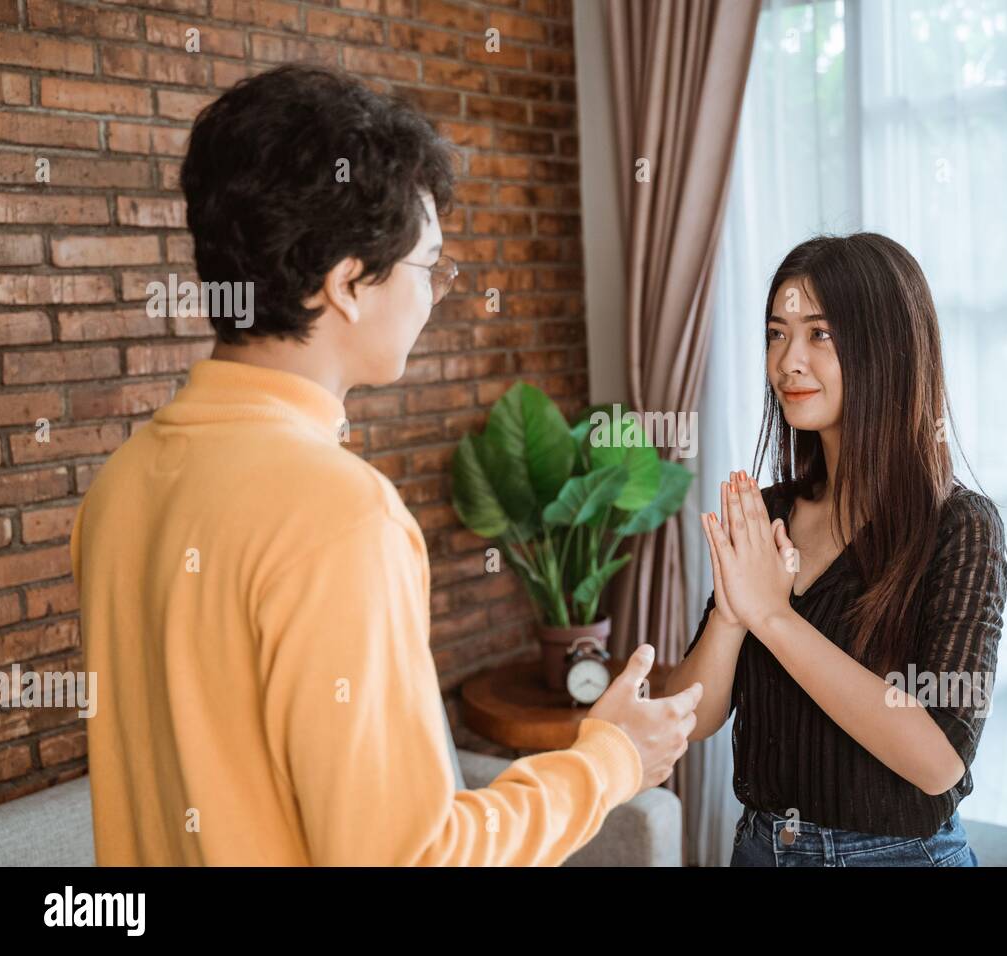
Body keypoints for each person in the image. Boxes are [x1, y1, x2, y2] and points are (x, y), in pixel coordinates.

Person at [70, 64, 701, 866]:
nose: (436, 294)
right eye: (427, 265)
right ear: (347, 286)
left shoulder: (120, 485)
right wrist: (609, 761)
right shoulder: (338, 516)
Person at [665, 233, 1007, 867]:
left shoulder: (961, 528)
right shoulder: (769, 514)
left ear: (889, 350)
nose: (788, 360)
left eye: (819, 334)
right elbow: (692, 716)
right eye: (777, 333)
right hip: (760, 849)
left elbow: (937, 759)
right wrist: (733, 615)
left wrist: (774, 617)